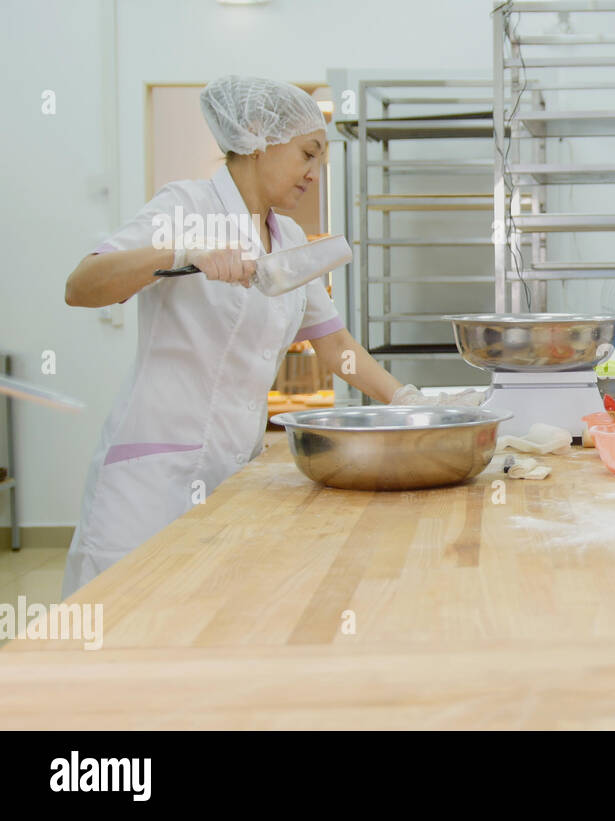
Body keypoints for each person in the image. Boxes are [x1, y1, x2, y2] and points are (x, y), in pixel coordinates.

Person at [60, 76, 460, 596]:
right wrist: (180, 255)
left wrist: (410, 402)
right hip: (151, 476)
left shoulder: (289, 240)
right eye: (307, 155)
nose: (314, 175)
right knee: (121, 629)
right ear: (255, 137)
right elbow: (82, 286)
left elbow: (336, 347)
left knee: (205, 623)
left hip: (231, 470)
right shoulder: (185, 206)